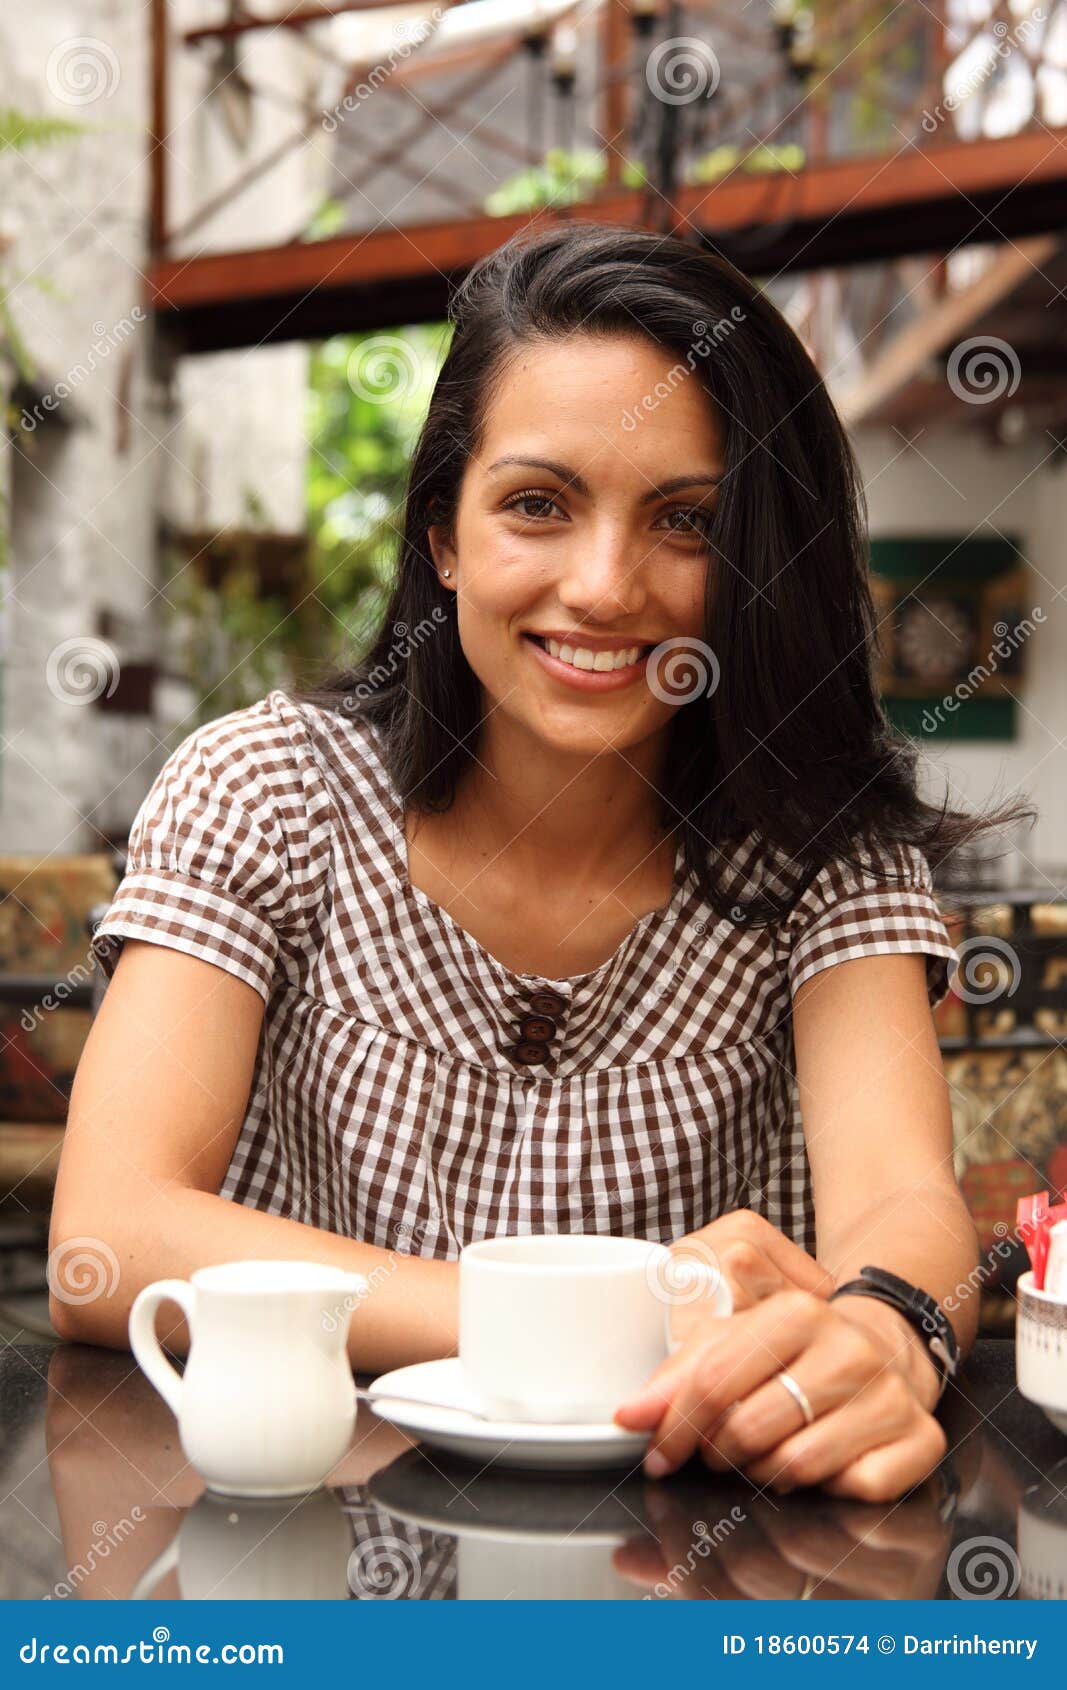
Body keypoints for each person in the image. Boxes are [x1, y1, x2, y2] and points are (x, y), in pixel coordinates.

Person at [51, 221, 1034, 1501]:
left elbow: (901, 1204)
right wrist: (614, 1320)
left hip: (690, 1570)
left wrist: (882, 1334)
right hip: (305, 1551)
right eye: (536, 504)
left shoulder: (822, 850)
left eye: (686, 521)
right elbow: (110, 1232)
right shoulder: (267, 791)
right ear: (443, 535)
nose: (604, 586)